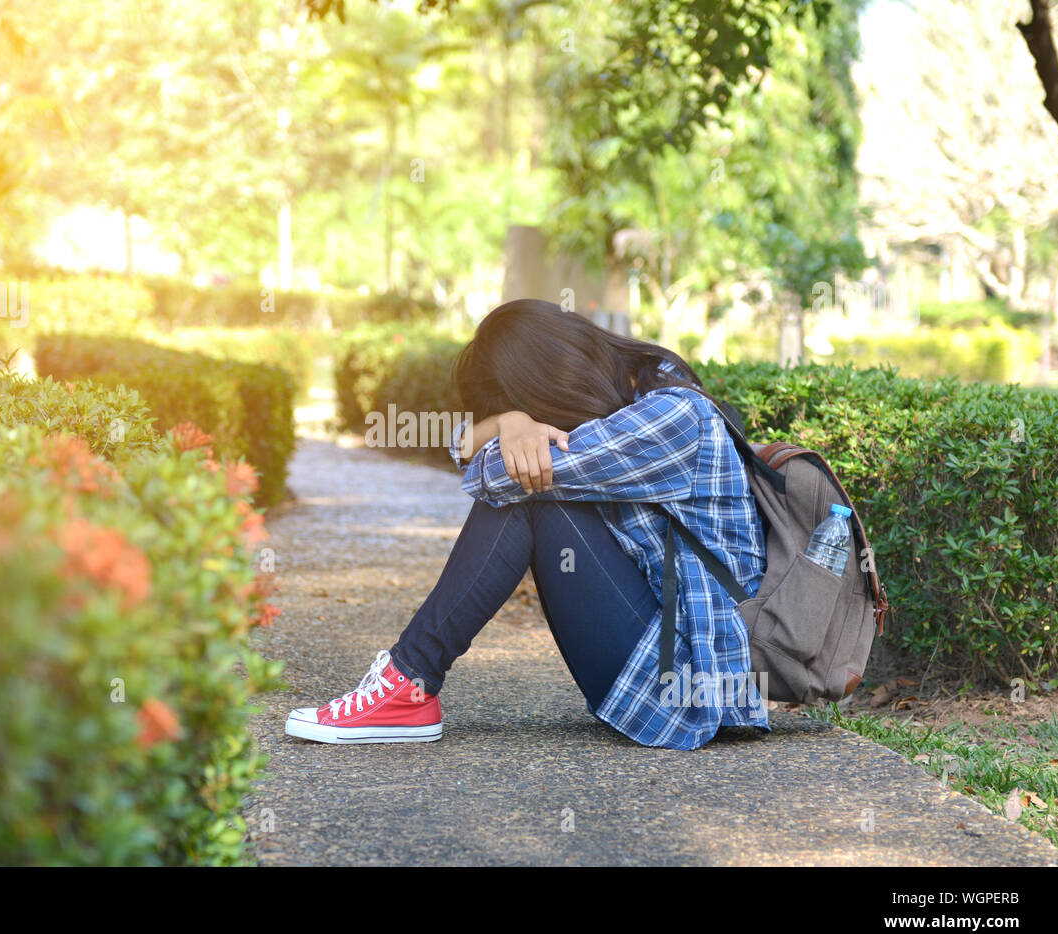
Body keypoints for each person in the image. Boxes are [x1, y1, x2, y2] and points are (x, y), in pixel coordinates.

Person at [285, 298, 769, 750]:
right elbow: (468, 448)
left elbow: (493, 475)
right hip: (660, 650)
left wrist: (510, 431)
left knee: (528, 494)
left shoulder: (671, 416)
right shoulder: (635, 390)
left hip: (689, 685)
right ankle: (409, 682)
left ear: (546, 384)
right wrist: (507, 423)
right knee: (530, 485)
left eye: (524, 405)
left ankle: (409, 682)